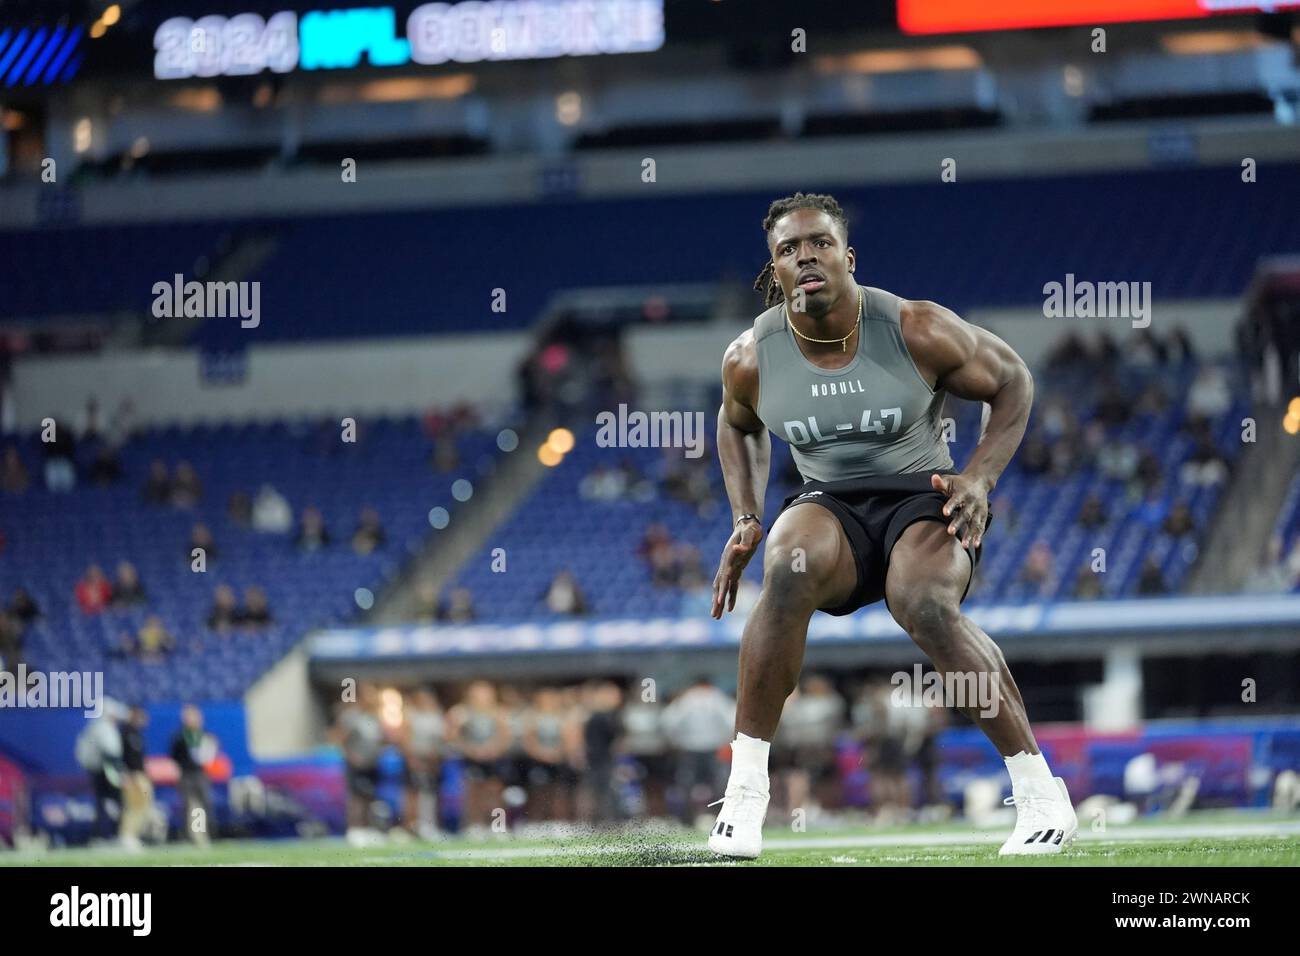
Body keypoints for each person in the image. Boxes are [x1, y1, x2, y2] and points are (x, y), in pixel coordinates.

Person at [706, 193, 1075, 858]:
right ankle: (744, 797)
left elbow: (1013, 380)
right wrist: (746, 517)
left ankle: (1041, 793)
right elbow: (735, 427)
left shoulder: (916, 327)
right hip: (828, 506)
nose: (805, 256)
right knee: (784, 569)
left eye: (819, 242)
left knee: (923, 602)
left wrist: (981, 479)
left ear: (848, 257)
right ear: (775, 270)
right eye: (789, 249)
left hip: (924, 496)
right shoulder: (750, 356)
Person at [170, 704, 218, 845]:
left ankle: (203, 835)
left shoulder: (205, 735)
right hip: (186, 774)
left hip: (200, 774)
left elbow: (209, 754)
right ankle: (192, 837)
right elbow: (174, 756)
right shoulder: (180, 737)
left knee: (204, 805)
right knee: (189, 806)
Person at [400, 688, 445, 839]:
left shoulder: (436, 715)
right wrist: (412, 758)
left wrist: (436, 756)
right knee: (414, 793)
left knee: (430, 793)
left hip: (432, 760)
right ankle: (411, 826)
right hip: (416, 759)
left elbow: (441, 738)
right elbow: (405, 739)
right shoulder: (411, 715)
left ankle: (429, 824)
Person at [119, 706, 155, 849]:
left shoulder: (136, 734)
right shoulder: (126, 733)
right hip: (132, 775)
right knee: (134, 806)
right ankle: (127, 836)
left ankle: (132, 835)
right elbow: (121, 756)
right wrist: (126, 774)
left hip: (140, 774)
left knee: (143, 806)